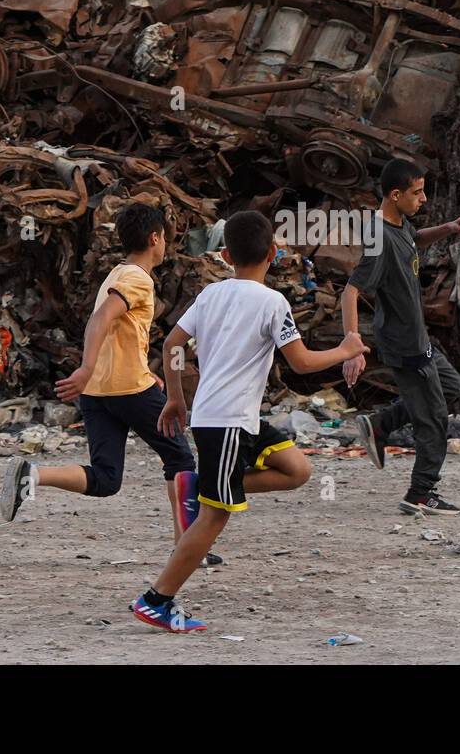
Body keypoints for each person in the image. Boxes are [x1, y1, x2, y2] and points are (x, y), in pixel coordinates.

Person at [129, 210, 368, 632]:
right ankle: (156, 601)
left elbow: (171, 343)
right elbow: (303, 362)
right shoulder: (273, 302)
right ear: (274, 254)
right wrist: (347, 350)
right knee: (214, 518)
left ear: (224, 255)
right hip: (226, 422)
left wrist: (176, 399)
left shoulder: (209, 294)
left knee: (297, 470)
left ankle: (199, 486)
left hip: (236, 419)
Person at [0, 202, 219, 563]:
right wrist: (86, 367)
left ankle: (32, 474)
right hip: (127, 390)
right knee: (179, 457)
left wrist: (129, 372)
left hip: (99, 393)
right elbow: (101, 320)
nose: (166, 244)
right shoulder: (137, 278)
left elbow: (118, 332)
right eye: (165, 237)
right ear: (154, 238)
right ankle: (188, 548)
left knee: (106, 478)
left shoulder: (117, 273)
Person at [340, 158, 460, 515]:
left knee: (451, 386)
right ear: (395, 194)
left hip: (418, 337)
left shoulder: (398, 224)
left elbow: (413, 240)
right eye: (417, 193)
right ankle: (421, 492)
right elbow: (350, 292)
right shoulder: (380, 238)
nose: (424, 199)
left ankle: (381, 424)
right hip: (406, 343)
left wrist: (449, 228)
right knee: (432, 417)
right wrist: (352, 347)